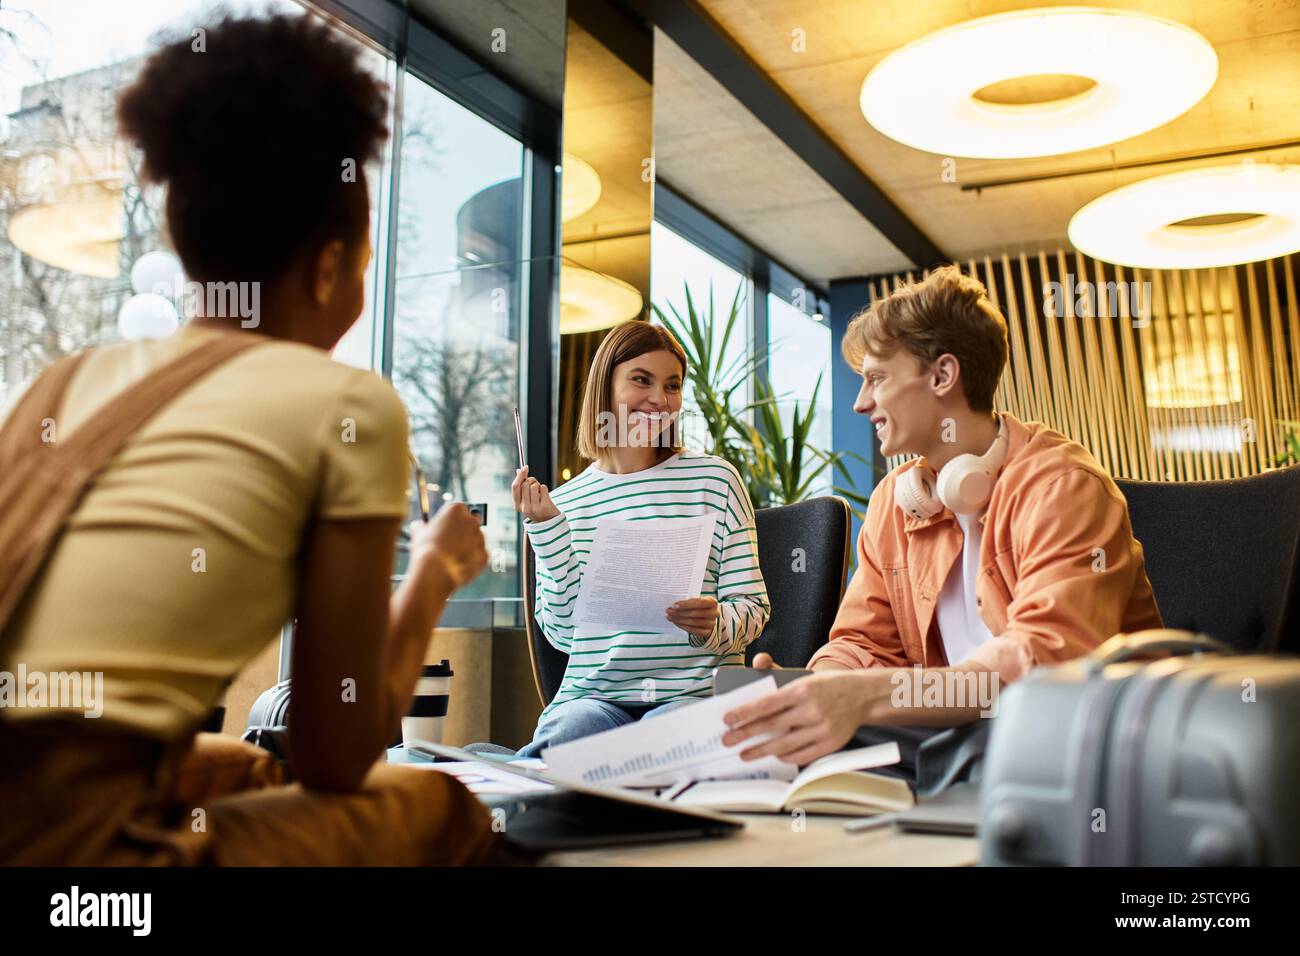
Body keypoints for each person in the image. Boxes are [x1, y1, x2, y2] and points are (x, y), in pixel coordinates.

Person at [0, 12, 500, 865]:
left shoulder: (66, 382)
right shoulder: (347, 406)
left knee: (250, 772)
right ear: (331, 267)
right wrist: (433, 575)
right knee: (440, 803)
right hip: (80, 857)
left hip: (33, 788)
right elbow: (338, 753)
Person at [721, 266, 1162, 775]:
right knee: (767, 742)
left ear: (942, 375)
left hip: (1073, 737)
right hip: (961, 735)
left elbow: (1044, 662)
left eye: (876, 378)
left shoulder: (1062, 487)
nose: (861, 403)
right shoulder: (896, 500)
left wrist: (866, 698)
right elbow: (862, 642)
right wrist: (818, 688)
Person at [512, 321, 770, 758]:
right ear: (604, 388)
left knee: (664, 737)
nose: (659, 399)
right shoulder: (566, 503)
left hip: (691, 695)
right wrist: (547, 531)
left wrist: (714, 623)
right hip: (594, 698)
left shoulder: (715, 479)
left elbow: (753, 609)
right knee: (574, 733)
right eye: (641, 380)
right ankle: (501, 795)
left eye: (672, 385)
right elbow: (561, 635)